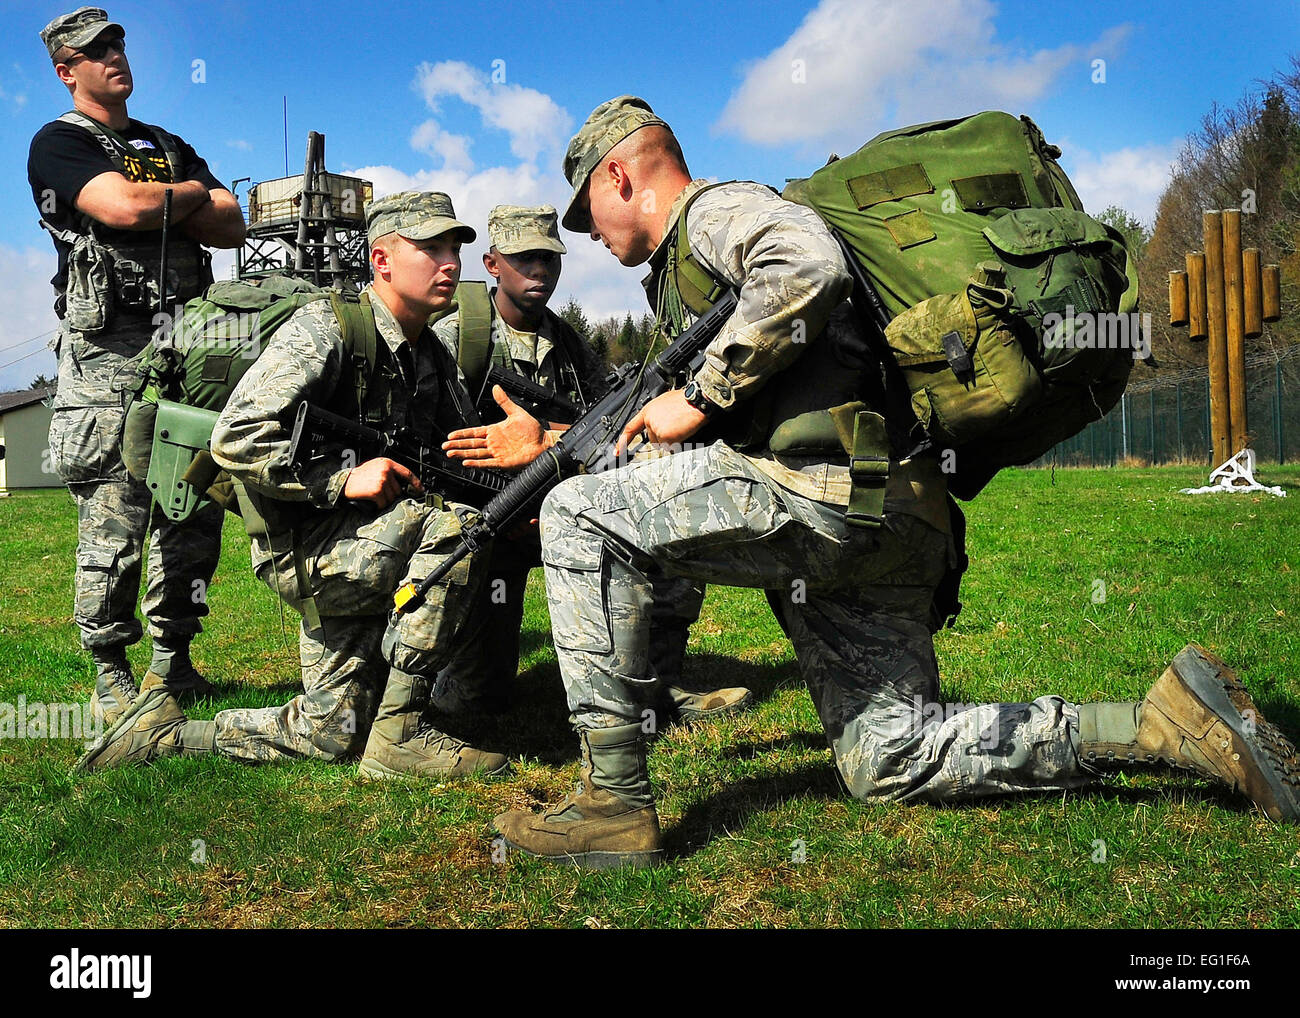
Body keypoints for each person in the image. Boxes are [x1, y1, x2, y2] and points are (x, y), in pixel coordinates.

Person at [489, 96, 1300, 869]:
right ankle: (1159, 727)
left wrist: (702, 395)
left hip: (821, 493)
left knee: (577, 516)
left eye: (584, 211)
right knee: (888, 756)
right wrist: (573, 439)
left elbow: (804, 262)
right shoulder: (686, 273)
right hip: (897, 518)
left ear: (619, 178)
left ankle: (614, 803)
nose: (587, 235)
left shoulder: (714, 211)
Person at [76, 191, 549, 779]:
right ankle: (401, 734)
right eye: (430, 248)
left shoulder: (430, 353)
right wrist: (341, 478)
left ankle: (170, 733)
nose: (449, 262)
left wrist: (530, 460)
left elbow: (454, 459)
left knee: (331, 734)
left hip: (370, 541)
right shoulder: (327, 327)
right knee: (458, 533)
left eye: (454, 248)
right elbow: (235, 436)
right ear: (381, 261)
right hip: (308, 547)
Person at [431, 204, 748, 725]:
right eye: (523, 259)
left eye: (549, 260)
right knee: (475, 701)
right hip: (487, 521)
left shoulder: (573, 345)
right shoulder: (456, 341)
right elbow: (440, 449)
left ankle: (654, 684)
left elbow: (609, 433)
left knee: (659, 538)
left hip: (568, 503)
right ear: (492, 264)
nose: (539, 271)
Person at [28, 7, 246, 727]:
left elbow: (232, 220)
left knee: (191, 510)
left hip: (189, 354)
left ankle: (172, 662)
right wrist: (182, 199)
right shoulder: (59, 144)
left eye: (118, 42)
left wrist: (171, 204)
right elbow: (120, 208)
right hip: (108, 362)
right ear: (68, 70)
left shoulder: (163, 141)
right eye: (95, 51)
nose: (114, 55)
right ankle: (110, 673)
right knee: (116, 516)